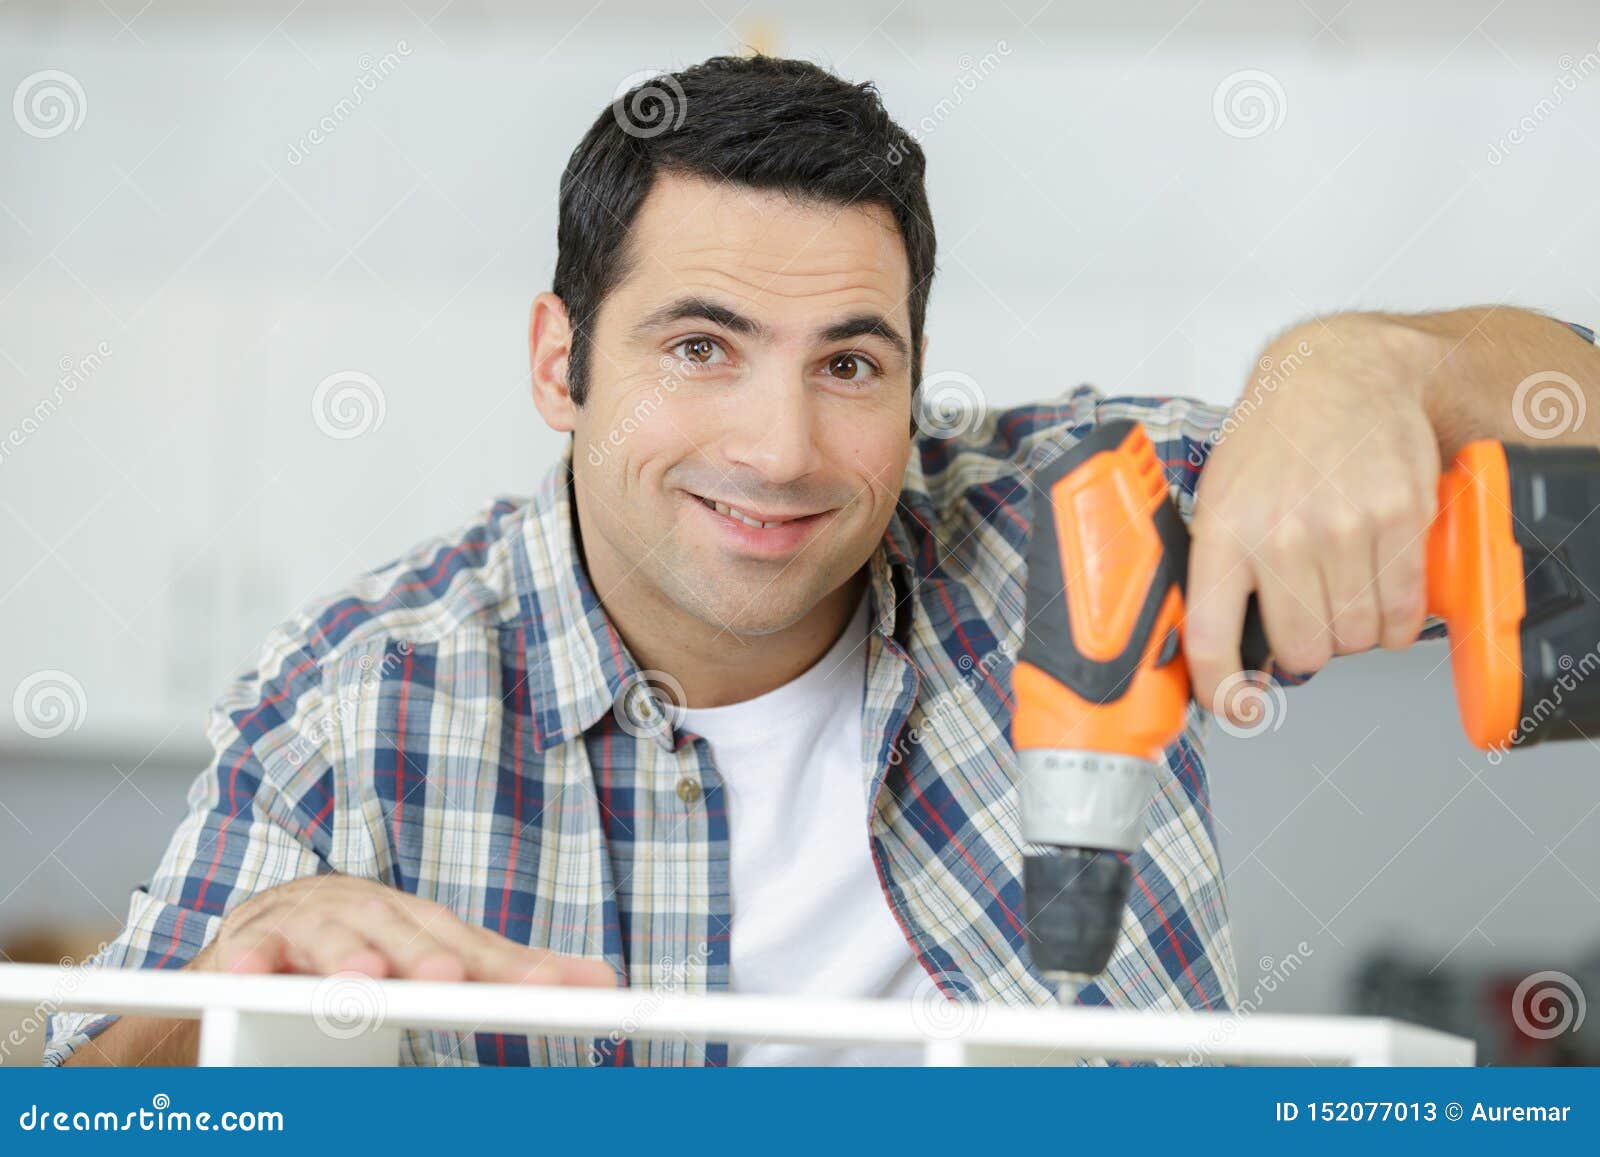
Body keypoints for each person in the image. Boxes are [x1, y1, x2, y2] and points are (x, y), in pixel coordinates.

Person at [50, 54, 1600, 1067]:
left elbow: (1566, 409)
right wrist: (217, 997)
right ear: (559, 363)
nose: (782, 446)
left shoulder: (1084, 517)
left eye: (851, 365)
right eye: (702, 346)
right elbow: (85, 1107)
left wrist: (1359, 366)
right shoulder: (366, 699)